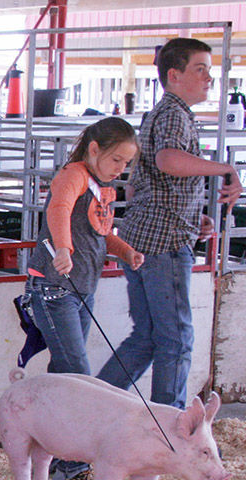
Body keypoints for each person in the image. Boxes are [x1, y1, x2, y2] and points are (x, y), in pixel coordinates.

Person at [95, 38, 242, 409]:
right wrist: (225, 168)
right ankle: (171, 433)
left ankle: (87, 413)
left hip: (145, 237)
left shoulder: (163, 112)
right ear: (174, 75)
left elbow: (154, 179)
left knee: (146, 338)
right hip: (162, 244)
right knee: (175, 340)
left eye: (209, 70)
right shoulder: (174, 113)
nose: (210, 78)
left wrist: (196, 218)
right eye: (200, 69)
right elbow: (167, 161)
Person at [23, 117, 144, 480]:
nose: (121, 169)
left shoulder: (102, 187)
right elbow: (58, 210)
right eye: (117, 160)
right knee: (77, 374)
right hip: (55, 288)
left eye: (127, 163)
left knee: (64, 374)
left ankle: (44, 447)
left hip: (81, 289)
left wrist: (125, 252)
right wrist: (62, 247)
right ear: (94, 149)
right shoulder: (73, 175)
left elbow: (102, 234)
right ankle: (73, 464)